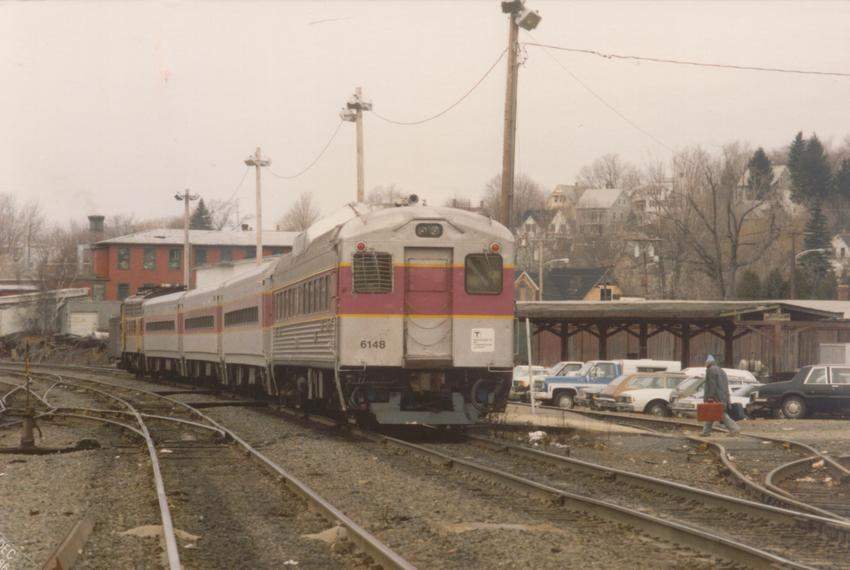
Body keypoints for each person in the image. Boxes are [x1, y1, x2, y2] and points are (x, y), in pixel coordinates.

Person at [701, 355, 741, 436]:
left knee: (721, 414)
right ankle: (706, 432)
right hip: (723, 396)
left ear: (708, 362)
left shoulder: (710, 370)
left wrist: (710, 397)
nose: (705, 364)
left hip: (716, 397)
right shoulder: (721, 370)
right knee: (710, 414)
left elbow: (712, 385)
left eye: (705, 362)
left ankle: (735, 429)